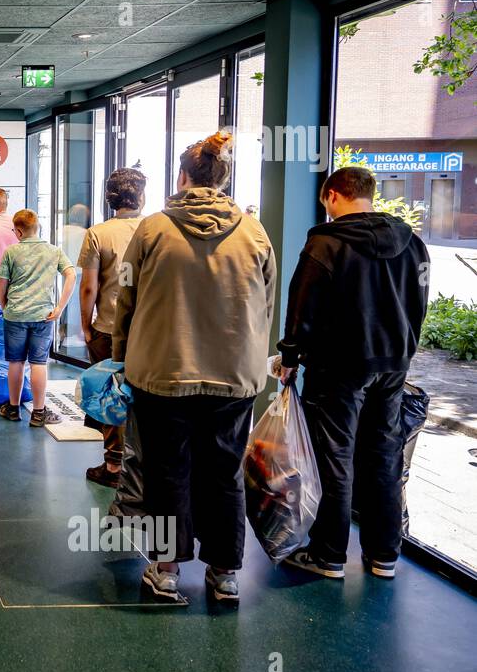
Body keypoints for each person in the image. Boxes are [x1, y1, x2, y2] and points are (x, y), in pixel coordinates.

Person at [112, 133, 276, 604]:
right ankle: (224, 575)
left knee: (167, 469)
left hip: (163, 372)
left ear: (182, 176)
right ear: (224, 179)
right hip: (234, 376)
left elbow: (127, 296)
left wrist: (122, 354)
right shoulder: (254, 232)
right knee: (224, 470)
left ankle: (165, 572)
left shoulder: (152, 230)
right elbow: (266, 303)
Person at [277, 166, 429, 581]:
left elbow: (301, 309)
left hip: (338, 368)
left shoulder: (325, 244)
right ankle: (384, 555)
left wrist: (289, 356)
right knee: (384, 458)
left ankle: (328, 554)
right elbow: (420, 303)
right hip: (393, 366)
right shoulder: (412, 243)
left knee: (334, 459)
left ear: (331, 196)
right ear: (370, 194)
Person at [78, 168, 146, 487]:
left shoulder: (97, 233)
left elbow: (89, 287)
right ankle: (142, 466)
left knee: (112, 397)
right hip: (149, 331)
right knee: (145, 397)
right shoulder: (156, 229)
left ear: (110, 199)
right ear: (141, 196)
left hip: (108, 327)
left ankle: (114, 467)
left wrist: (85, 325)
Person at [0, 209, 76, 427]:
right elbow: (71, 274)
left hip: (15, 314)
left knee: (16, 361)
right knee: (39, 363)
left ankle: (13, 409)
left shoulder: (11, 252)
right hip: (44, 316)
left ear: (19, 231)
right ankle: (39, 413)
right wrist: (60, 307)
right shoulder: (53, 251)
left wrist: (5, 306)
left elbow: (1, 284)